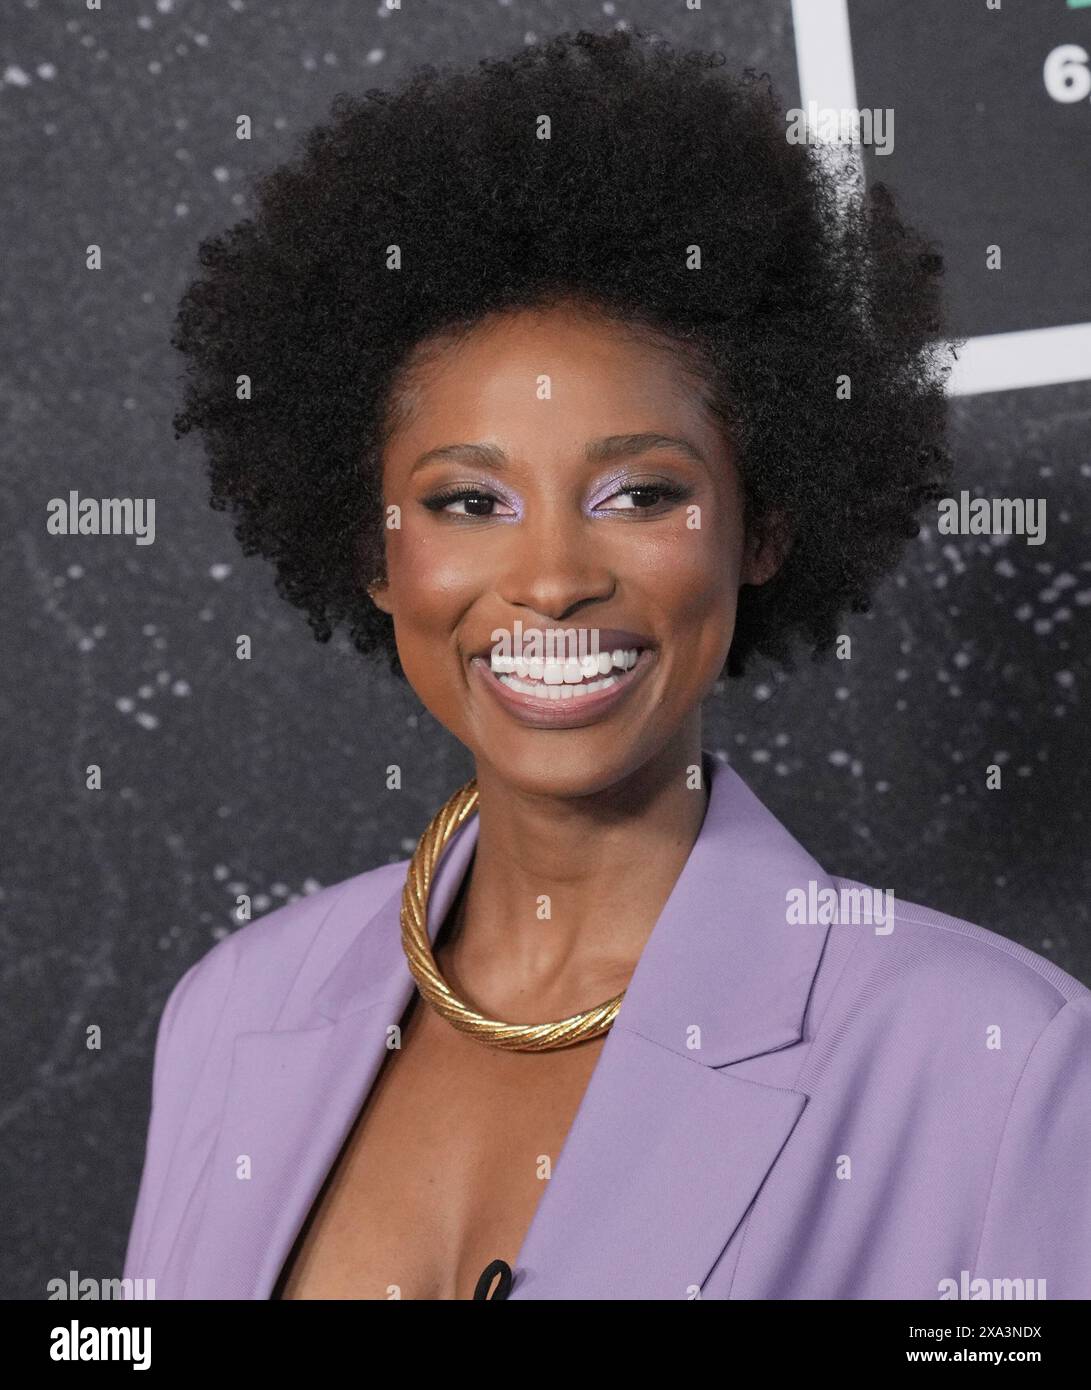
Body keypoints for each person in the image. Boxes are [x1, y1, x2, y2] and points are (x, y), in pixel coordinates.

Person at [122, 28, 1091, 1300]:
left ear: (762, 528)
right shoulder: (229, 1015)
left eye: (640, 493)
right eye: (467, 502)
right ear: (373, 549)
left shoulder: (995, 1060)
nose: (550, 577)